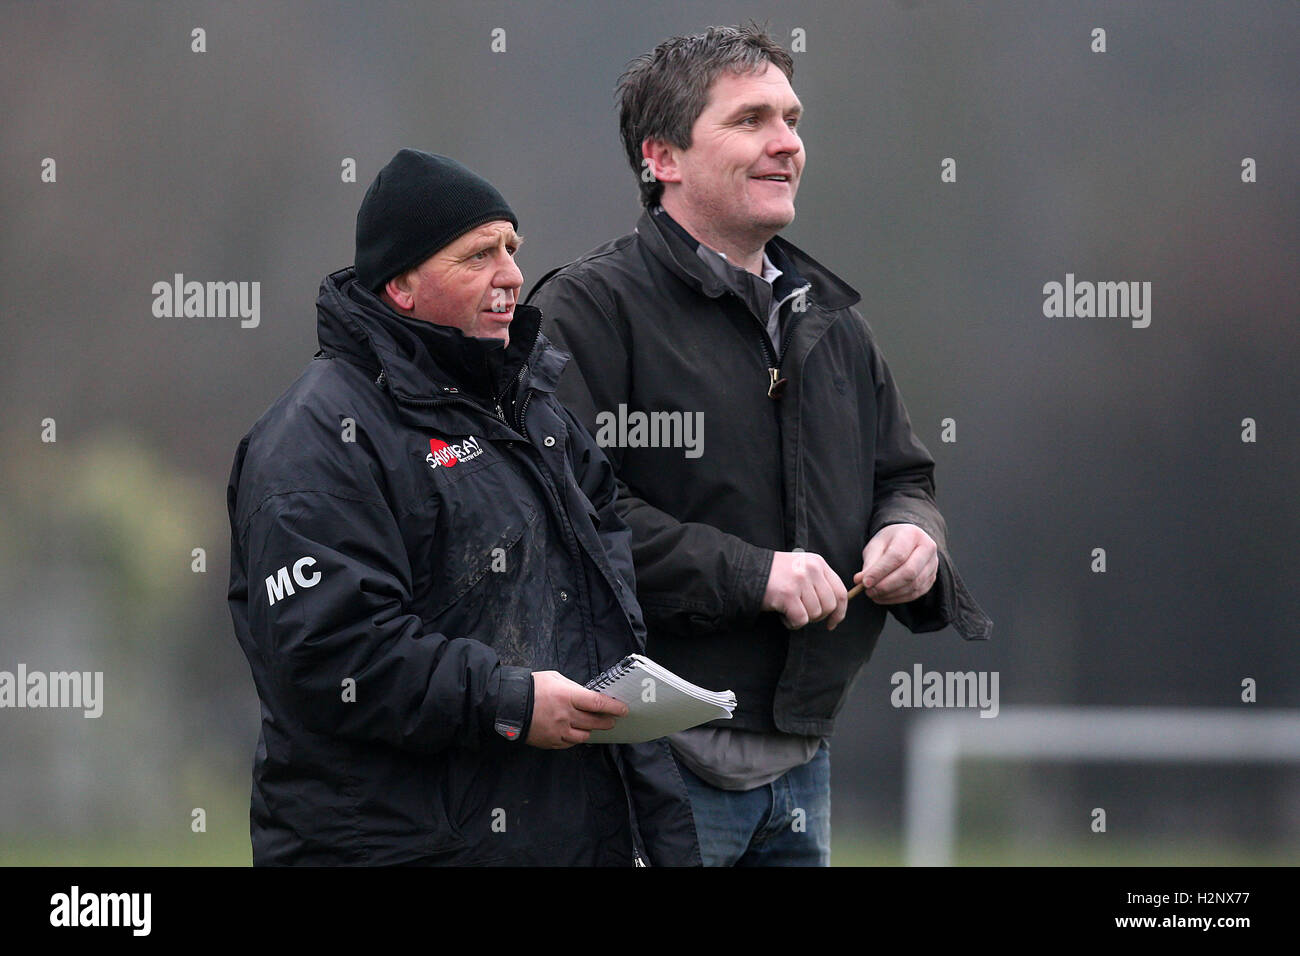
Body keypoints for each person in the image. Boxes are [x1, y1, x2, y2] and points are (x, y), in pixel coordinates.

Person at [525, 25, 992, 866]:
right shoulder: (588, 310)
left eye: (792, 117)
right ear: (661, 157)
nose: (787, 143)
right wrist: (757, 574)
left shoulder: (834, 324)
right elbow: (568, 517)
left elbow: (905, 476)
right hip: (649, 759)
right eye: (750, 121)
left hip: (802, 761)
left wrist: (915, 538)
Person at [226, 148, 699, 866]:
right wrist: (509, 702)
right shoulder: (316, 438)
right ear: (403, 285)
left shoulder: (532, 411)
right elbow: (332, 656)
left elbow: (607, 564)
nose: (511, 274)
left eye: (512, 248)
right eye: (478, 255)